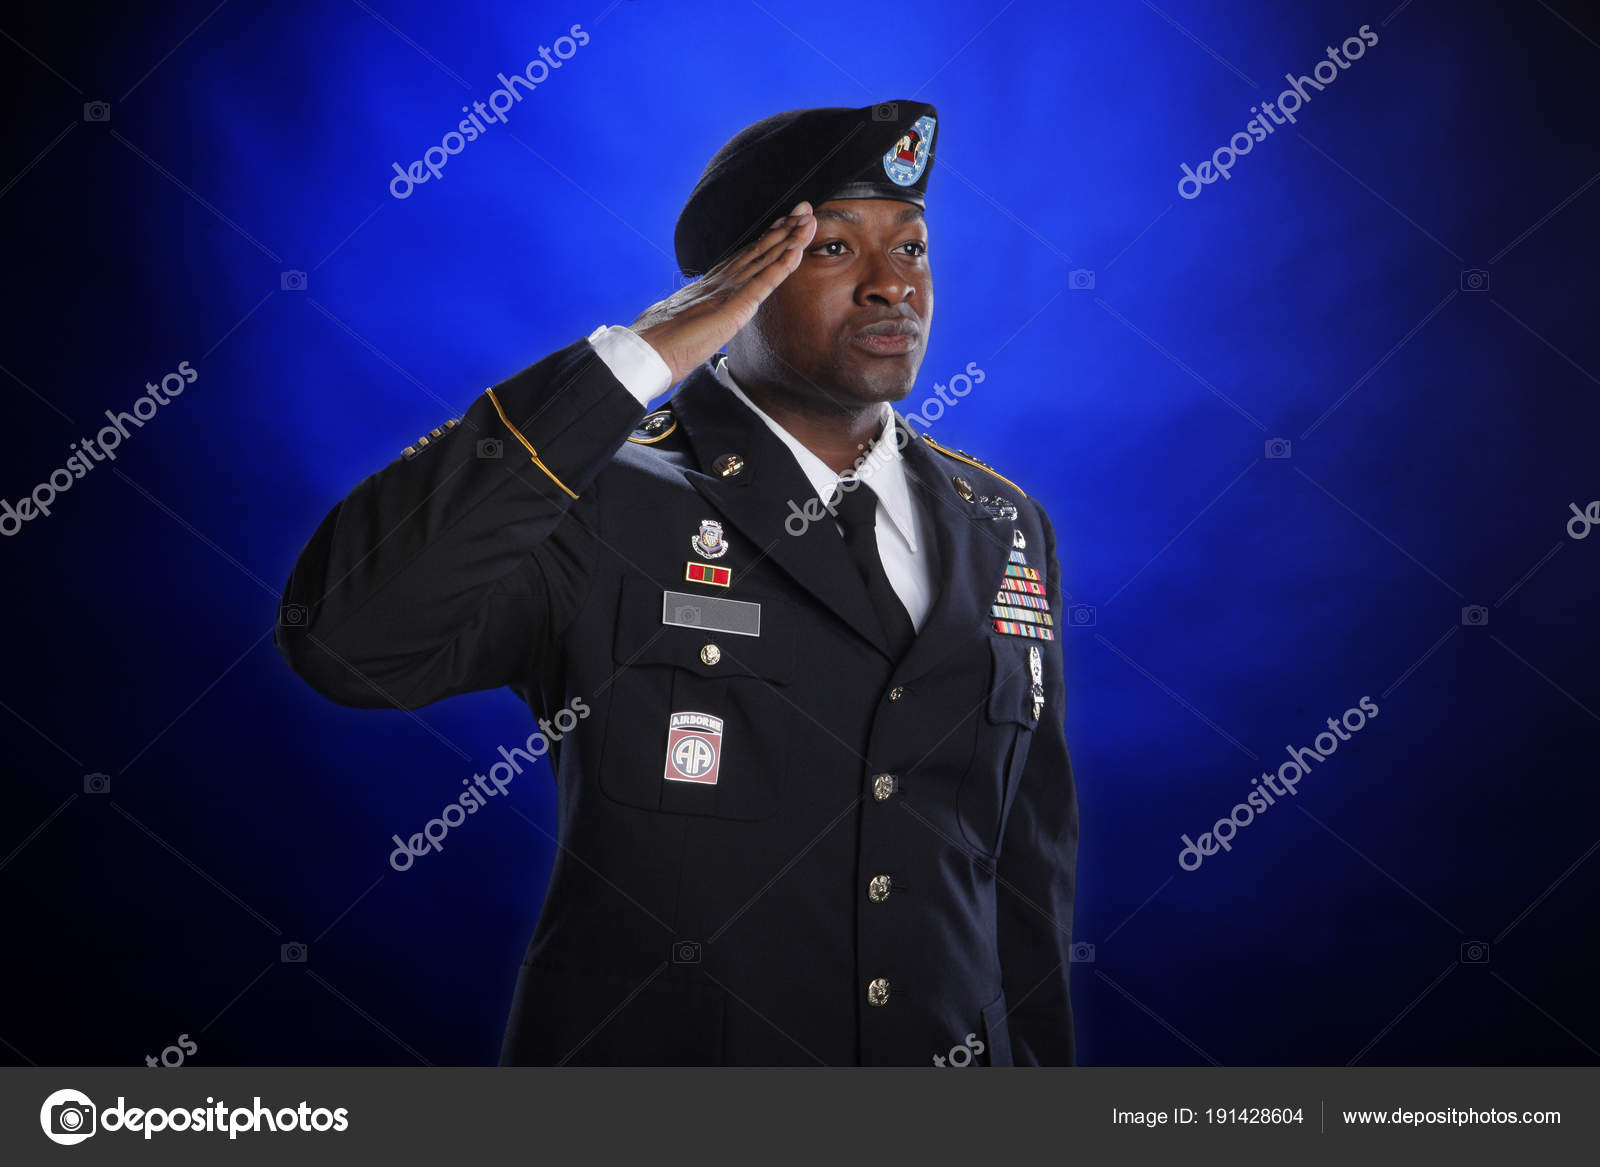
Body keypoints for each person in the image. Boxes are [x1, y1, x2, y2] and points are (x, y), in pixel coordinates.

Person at [276, 99, 1079, 1066]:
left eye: (910, 248)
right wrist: (641, 353)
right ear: (733, 282)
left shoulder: (1004, 524)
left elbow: (1027, 875)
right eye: (831, 250)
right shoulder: (598, 496)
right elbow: (348, 638)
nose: (889, 287)